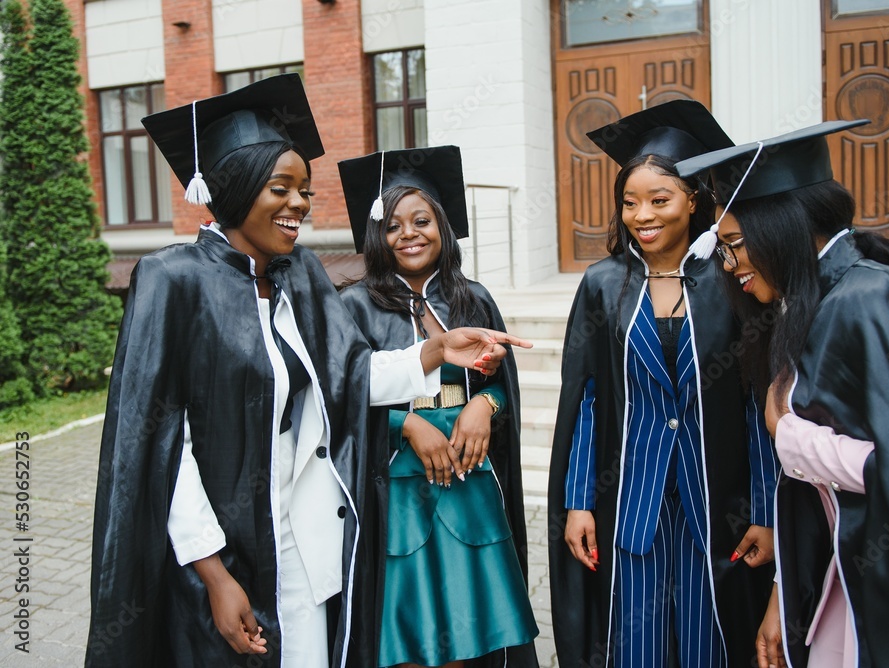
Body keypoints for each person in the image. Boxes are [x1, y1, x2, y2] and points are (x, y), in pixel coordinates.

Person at [86, 75, 528, 668]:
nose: (299, 204)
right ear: (234, 187)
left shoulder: (304, 279)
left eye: (304, 191)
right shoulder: (174, 281)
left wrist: (435, 351)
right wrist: (213, 574)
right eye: (281, 188)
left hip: (309, 544)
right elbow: (163, 444)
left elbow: (350, 378)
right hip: (227, 544)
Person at [676, 120, 889, 667]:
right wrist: (785, 592)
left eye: (734, 245)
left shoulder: (869, 299)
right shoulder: (821, 301)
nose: (731, 267)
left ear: (781, 225)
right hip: (847, 574)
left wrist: (792, 437)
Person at [547, 100, 781, 668]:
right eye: (630, 202)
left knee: (711, 644)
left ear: (694, 200)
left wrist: (767, 508)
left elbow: (757, 402)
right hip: (632, 500)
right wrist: (578, 502)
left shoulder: (729, 280)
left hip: (716, 500)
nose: (641, 214)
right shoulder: (605, 286)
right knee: (636, 645)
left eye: (659, 199)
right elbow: (587, 401)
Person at [338, 145, 539, 668]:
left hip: (469, 484)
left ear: (443, 227)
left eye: (422, 220)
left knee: (472, 631)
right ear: (376, 237)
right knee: (408, 630)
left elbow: (502, 388)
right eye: (394, 226)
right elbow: (341, 399)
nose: (409, 234)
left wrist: (484, 408)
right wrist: (403, 424)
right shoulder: (354, 306)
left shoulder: (472, 298)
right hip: (397, 489)